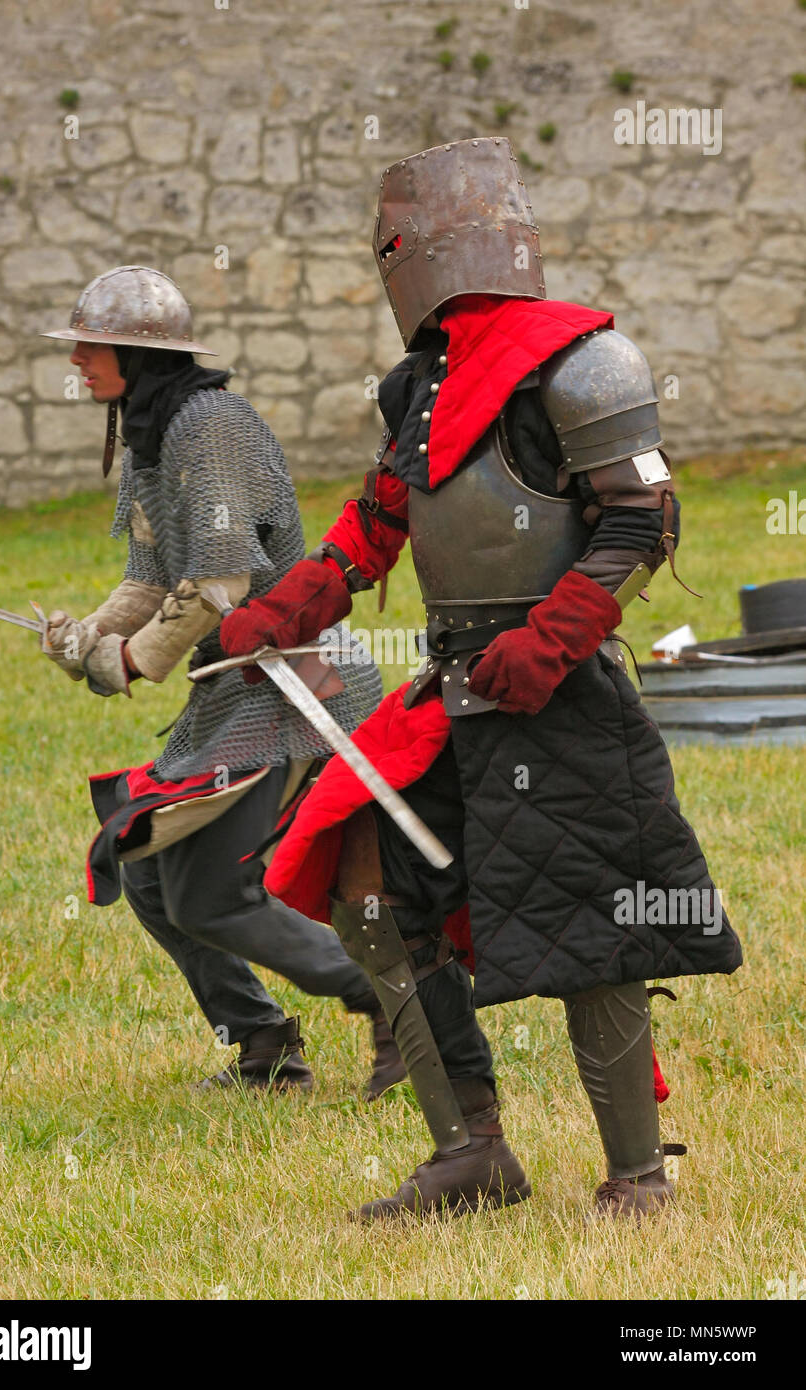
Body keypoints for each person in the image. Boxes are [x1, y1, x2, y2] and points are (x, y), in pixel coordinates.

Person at [218, 139, 743, 1220]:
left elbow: (642, 521)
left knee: (591, 923)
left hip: (555, 687)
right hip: (454, 688)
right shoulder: (424, 383)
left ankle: (638, 1179)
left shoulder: (585, 363)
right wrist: (297, 598)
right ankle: (470, 1150)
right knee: (367, 884)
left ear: (413, 250)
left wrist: (550, 636)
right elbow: (383, 514)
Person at [38, 265, 404, 1098]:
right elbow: (150, 578)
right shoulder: (150, 427)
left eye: (89, 349)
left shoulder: (209, 425)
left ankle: (399, 1002)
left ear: (137, 352)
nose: (78, 365)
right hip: (230, 692)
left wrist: (130, 662)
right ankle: (264, 1046)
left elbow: (221, 585)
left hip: (289, 690)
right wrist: (88, 637)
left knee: (209, 895)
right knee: (142, 865)